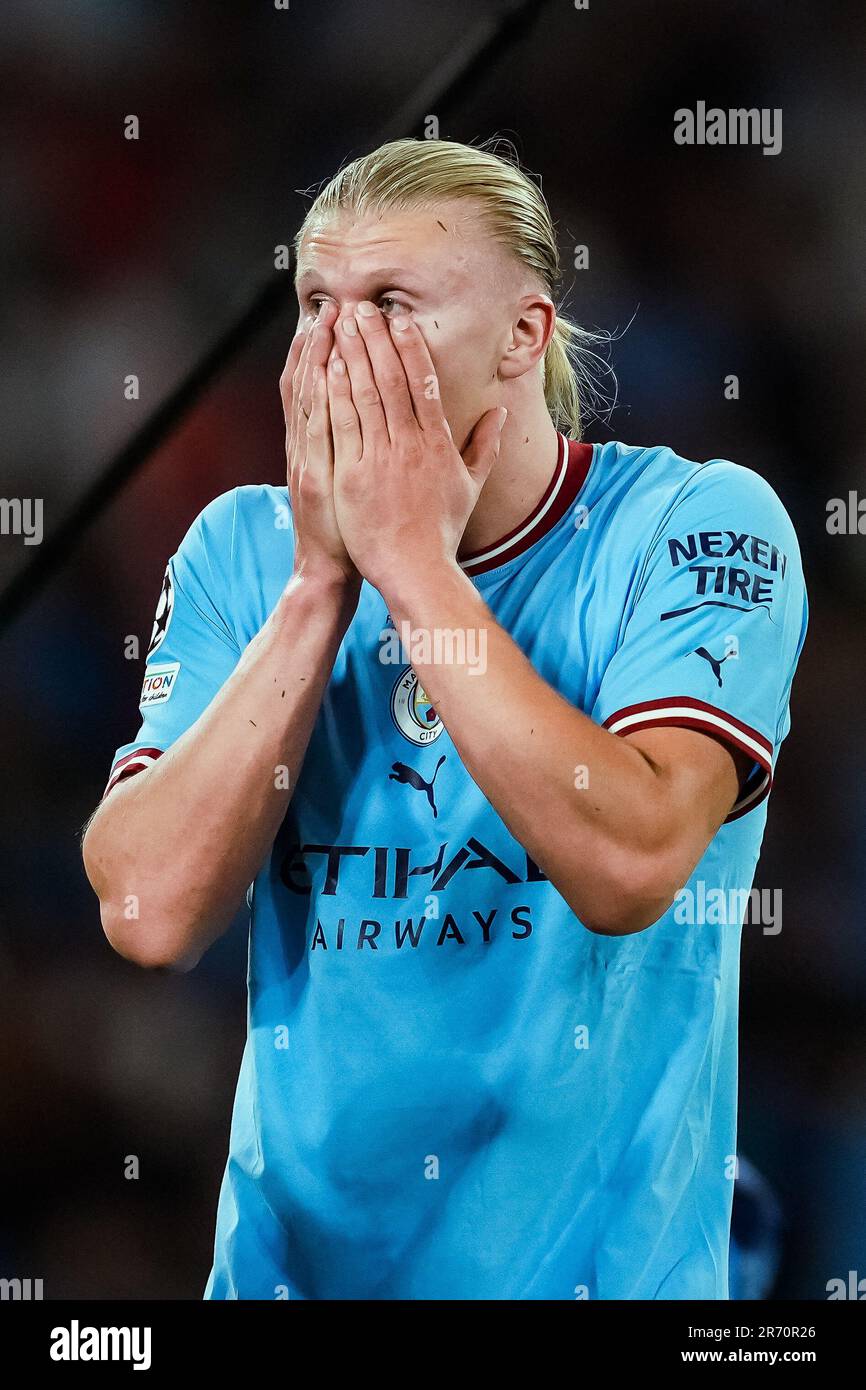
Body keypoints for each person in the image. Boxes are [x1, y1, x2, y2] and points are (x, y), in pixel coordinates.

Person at [83, 138, 807, 1300]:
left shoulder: (690, 522)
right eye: (315, 304)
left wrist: (414, 569)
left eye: (390, 304)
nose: (338, 348)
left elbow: (627, 864)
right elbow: (147, 908)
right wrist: (321, 586)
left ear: (523, 334)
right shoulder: (240, 549)